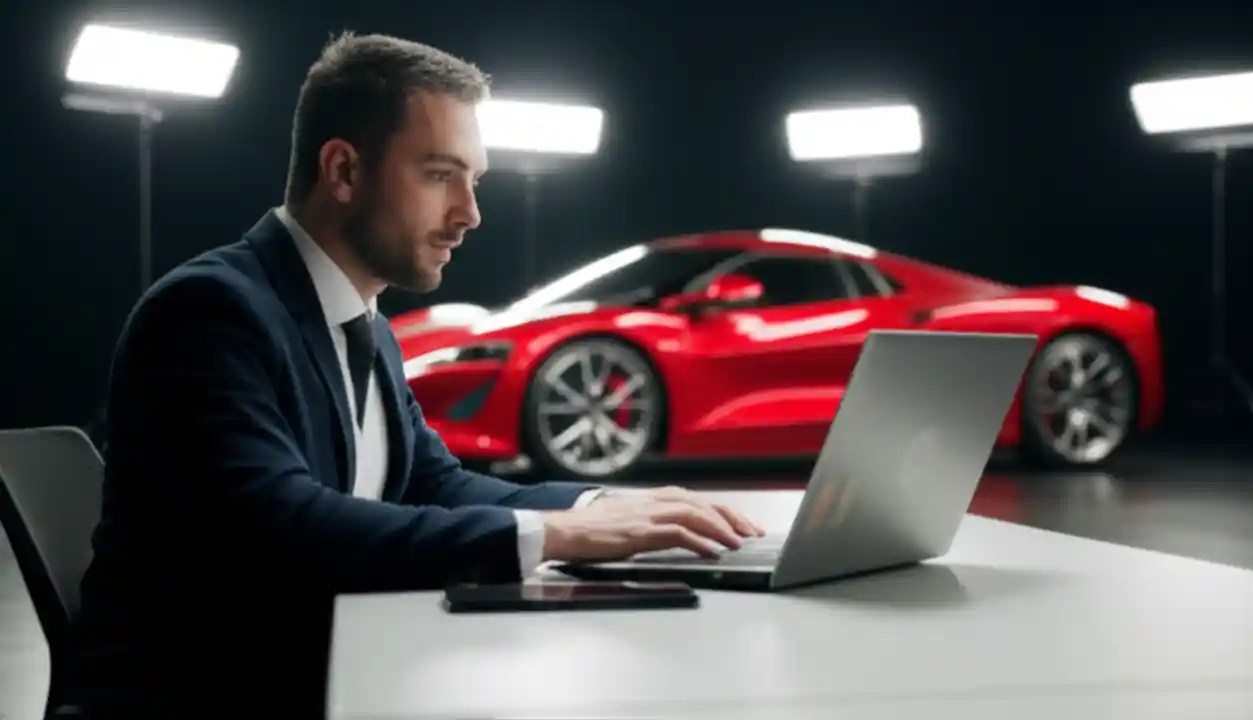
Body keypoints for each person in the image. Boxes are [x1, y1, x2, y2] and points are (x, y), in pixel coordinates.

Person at [69, 32, 764, 718]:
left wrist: (600, 506)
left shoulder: (364, 323)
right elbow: (281, 530)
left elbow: (430, 482)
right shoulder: (211, 312)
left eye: (475, 179)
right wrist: (553, 538)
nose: (470, 213)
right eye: (440, 175)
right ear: (342, 172)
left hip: (306, 669)